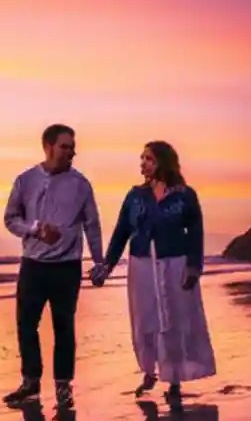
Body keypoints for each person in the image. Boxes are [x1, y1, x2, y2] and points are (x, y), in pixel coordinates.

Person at [92, 140, 216, 403]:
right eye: (142, 159)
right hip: (142, 265)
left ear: (162, 161)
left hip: (176, 263)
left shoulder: (185, 195)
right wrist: (106, 266)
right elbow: (120, 234)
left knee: (175, 320)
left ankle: (173, 379)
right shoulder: (135, 196)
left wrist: (194, 267)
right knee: (146, 319)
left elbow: (195, 232)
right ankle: (149, 371)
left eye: (148, 159)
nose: (143, 164)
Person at [2, 123, 105, 408]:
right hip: (33, 265)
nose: (71, 152)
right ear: (48, 147)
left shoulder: (80, 184)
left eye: (72, 147)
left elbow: (92, 224)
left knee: (64, 327)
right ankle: (30, 383)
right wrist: (35, 228)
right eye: (65, 146)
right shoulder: (25, 180)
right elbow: (10, 219)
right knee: (26, 325)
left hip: (67, 268)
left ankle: (63, 387)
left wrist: (99, 262)